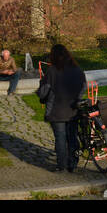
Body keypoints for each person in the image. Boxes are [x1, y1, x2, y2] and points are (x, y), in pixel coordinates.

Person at [38, 44, 87, 172]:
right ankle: (73, 163)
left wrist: (42, 96)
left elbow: (44, 91)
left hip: (56, 110)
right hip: (73, 109)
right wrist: (76, 98)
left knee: (60, 138)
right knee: (72, 137)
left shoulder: (52, 71)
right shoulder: (78, 70)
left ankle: (62, 165)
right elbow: (83, 87)